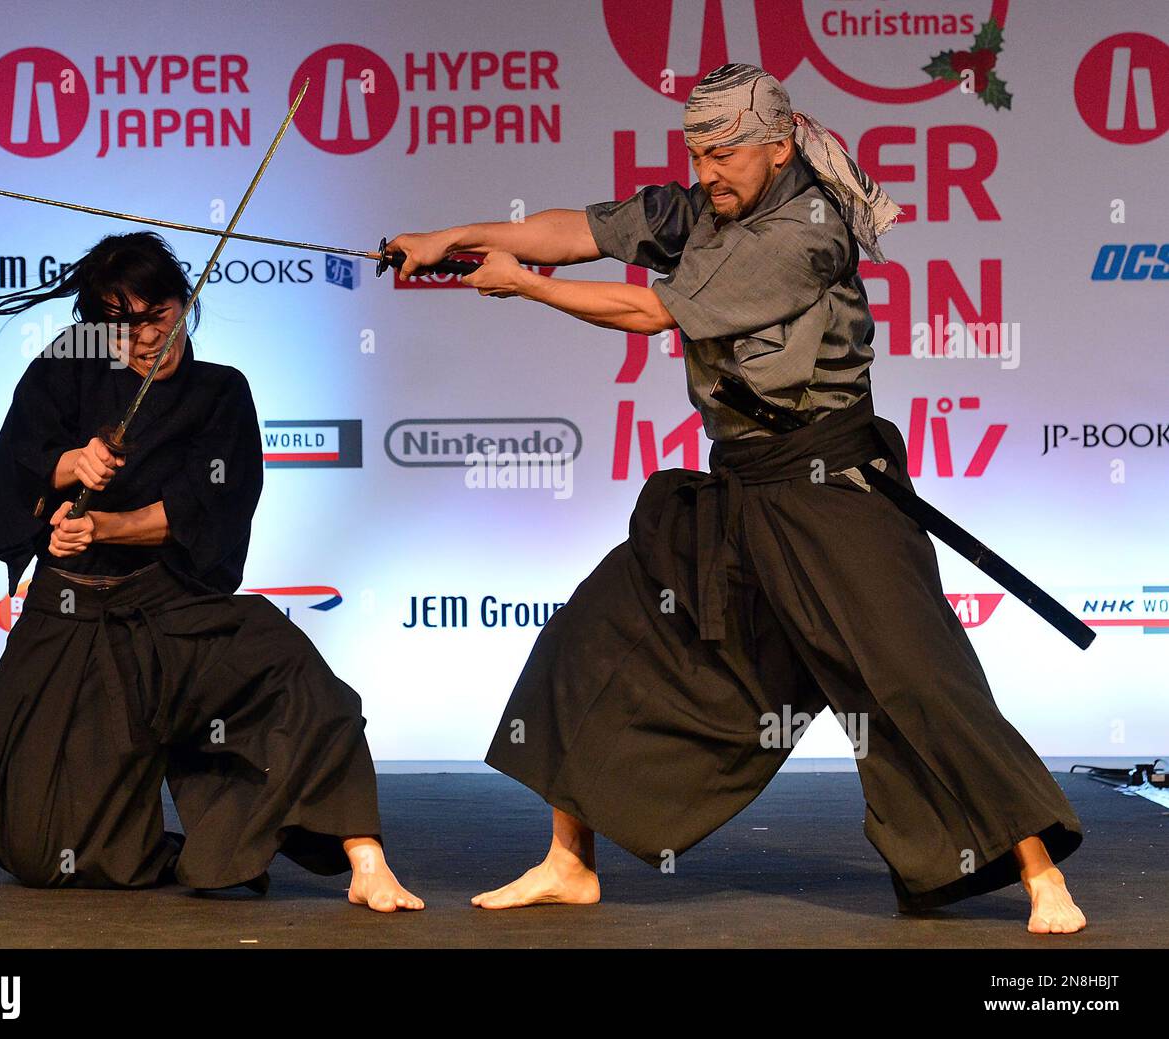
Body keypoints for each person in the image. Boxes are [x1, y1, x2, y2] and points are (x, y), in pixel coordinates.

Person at [388, 63, 1085, 933]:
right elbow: (574, 231)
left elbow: (650, 316)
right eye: (696, 152)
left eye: (724, 154)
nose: (708, 170)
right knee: (596, 632)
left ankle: (1040, 871)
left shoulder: (808, 231)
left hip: (832, 490)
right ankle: (570, 862)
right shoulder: (698, 210)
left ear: (778, 145)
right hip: (740, 489)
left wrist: (524, 288)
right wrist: (440, 237)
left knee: (915, 677)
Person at [0, 231, 422, 912]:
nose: (147, 337)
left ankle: (365, 856)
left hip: (168, 605)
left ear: (185, 302)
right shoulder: (63, 369)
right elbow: (13, 477)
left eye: (158, 313)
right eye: (124, 323)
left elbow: (208, 507)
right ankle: (155, 835)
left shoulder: (220, 392)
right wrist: (71, 465)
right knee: (41, 848)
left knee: (289, 668)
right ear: (96, 327)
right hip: (70, 616)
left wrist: (105, 524)